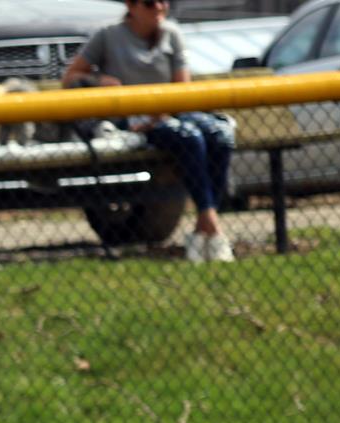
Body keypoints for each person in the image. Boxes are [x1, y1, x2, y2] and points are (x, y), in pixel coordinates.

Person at [63, 0, 238, 263]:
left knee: (219, 135)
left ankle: (205, 224)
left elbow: (182, 89)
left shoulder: (172, 33)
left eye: (163, 2)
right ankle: (211, 229)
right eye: (149, 3)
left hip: (171, 111)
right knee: (189, 138)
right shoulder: (108, 35)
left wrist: (163, 112)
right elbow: (71, 77)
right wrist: (99, 80)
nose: (158, 8)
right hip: (134, 121)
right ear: (131, 6)